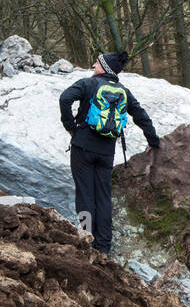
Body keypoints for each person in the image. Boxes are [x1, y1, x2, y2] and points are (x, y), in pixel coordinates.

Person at [59, 50, 160, 255]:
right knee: (104, 197)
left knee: (85, 195)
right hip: (106, 152)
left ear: (104, 68)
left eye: (97, 64)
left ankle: (86, 239)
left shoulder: (87, 84)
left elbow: (64, 98)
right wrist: (153, 141)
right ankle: (104, 247)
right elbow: (141, 115)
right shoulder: (124, 90)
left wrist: (70, 125)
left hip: (83, 148)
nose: (93, 67)